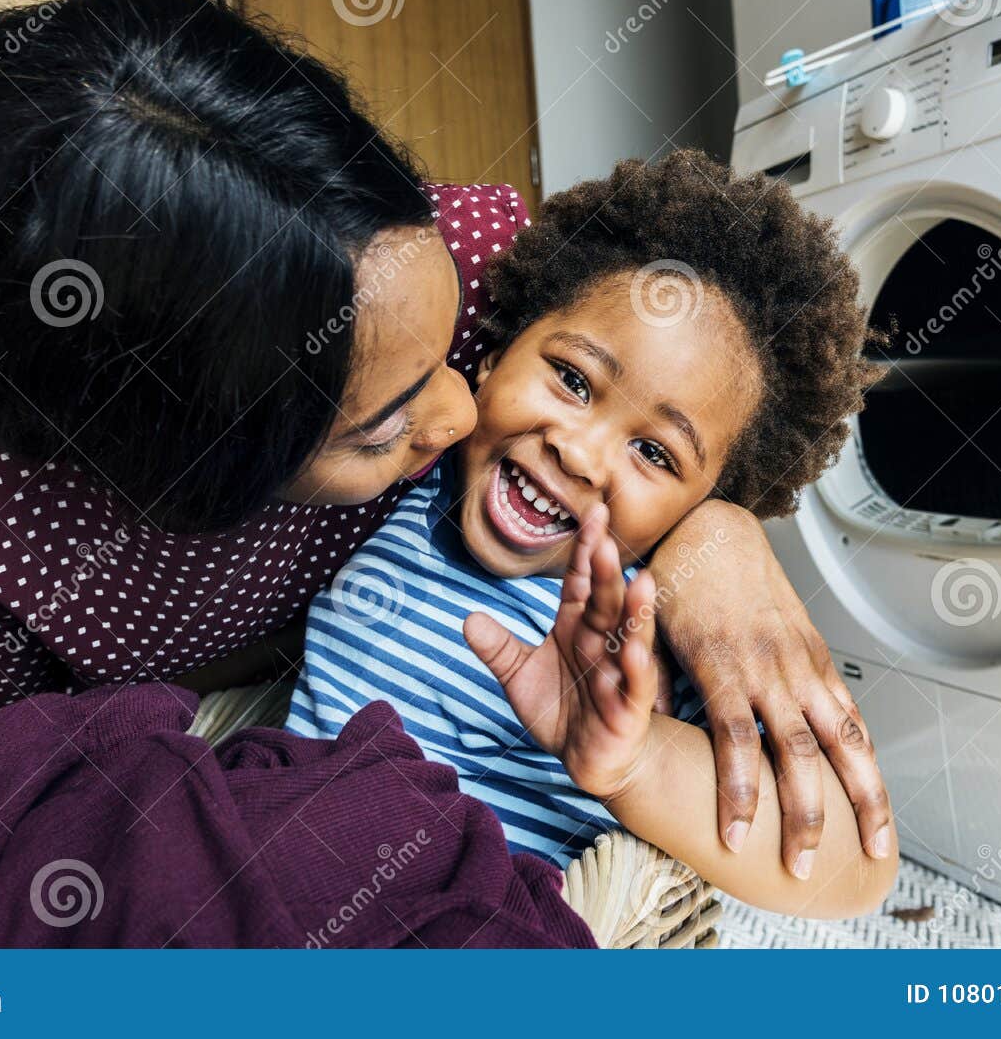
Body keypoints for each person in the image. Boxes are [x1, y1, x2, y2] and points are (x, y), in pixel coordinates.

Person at [0, 0, 891, 871]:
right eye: (383, 420)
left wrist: (715, 539)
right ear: (195, 470)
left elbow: (688, 400)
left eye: (457, 347)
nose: (460, 410)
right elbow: (73, 802)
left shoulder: (475, 262)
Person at [287, 151, 897, 907]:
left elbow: (854, 872)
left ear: (705, 506)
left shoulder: (644, 623)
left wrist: (634, 756)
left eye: (654, 452)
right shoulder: (418, 466)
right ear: (497, 349)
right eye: (572, 378)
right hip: (277, 858)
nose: (577, 450)